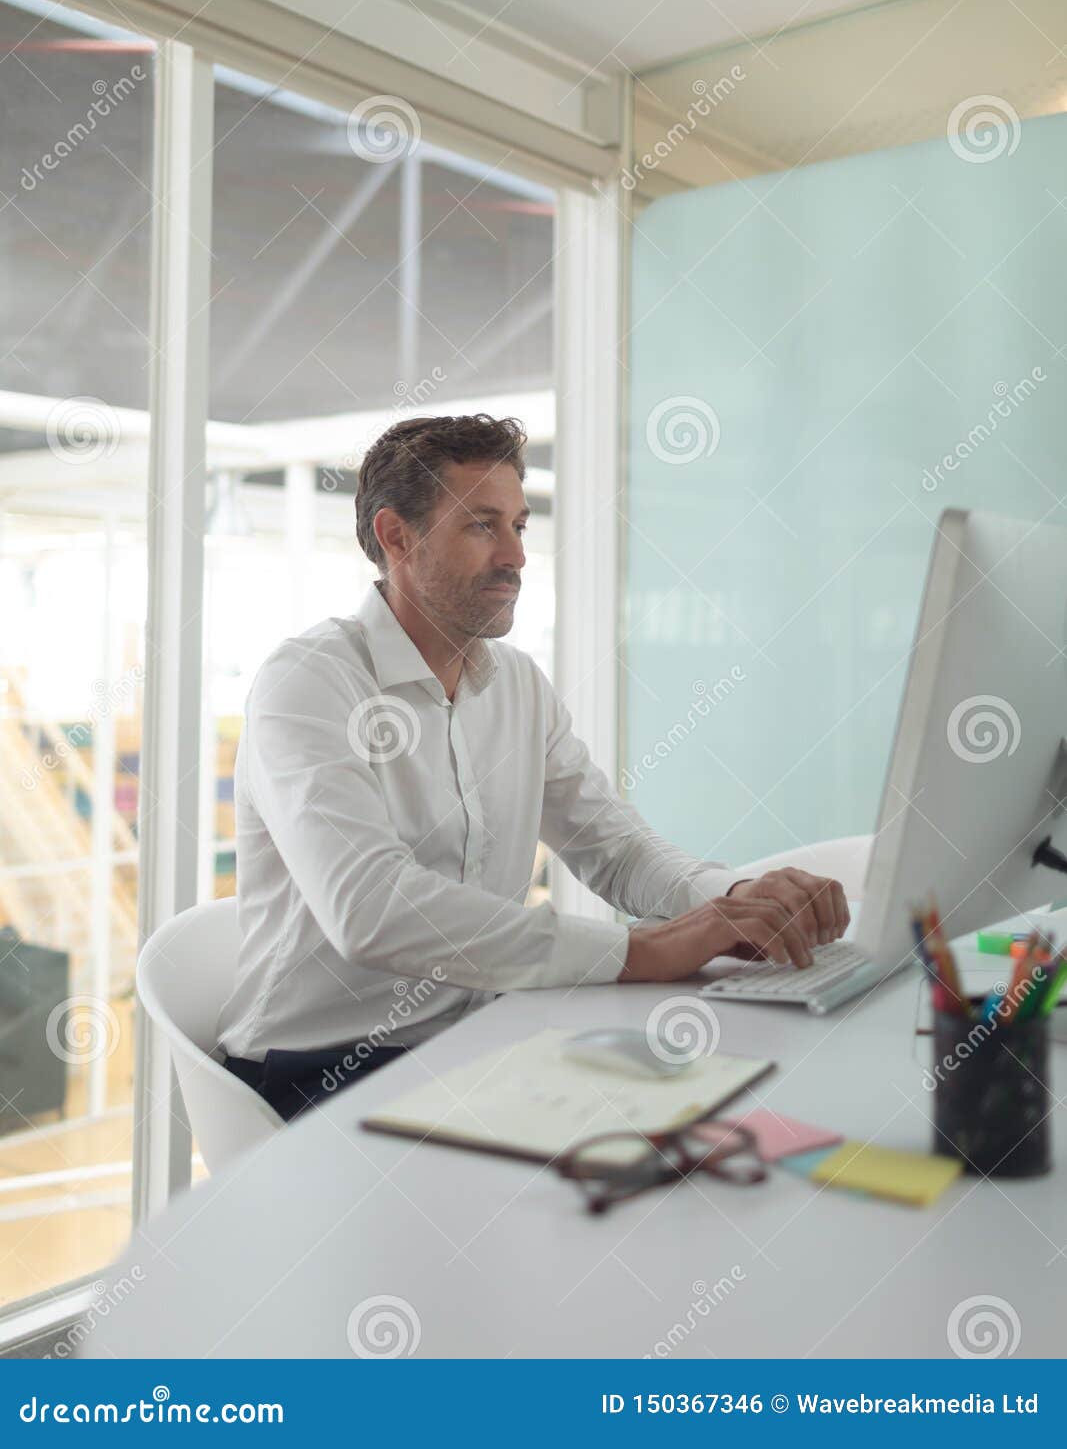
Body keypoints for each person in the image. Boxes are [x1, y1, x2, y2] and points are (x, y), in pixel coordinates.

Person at [215, 413, 847, 1121]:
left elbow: (617, 851)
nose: (514, 556)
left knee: (715, 1119)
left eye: (519, 526)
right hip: (317, 1070)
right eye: (481, 525)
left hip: (474, 1044)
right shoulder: (308, 681)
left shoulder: (515, 687)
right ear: (397, 537)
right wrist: (638, 951)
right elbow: (372, 909)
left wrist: (738, 900)